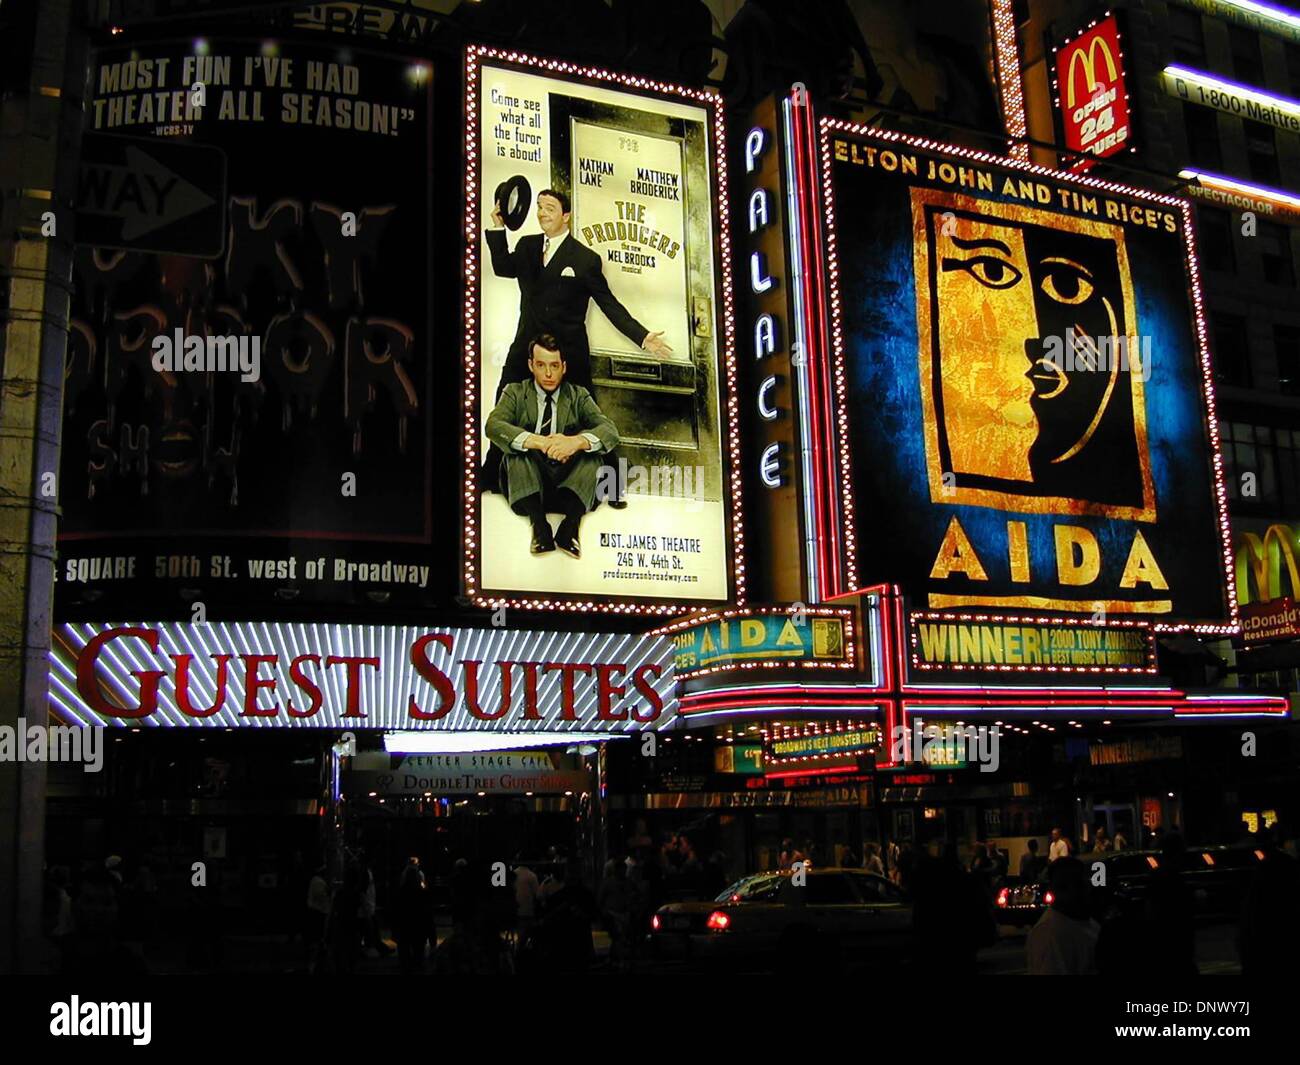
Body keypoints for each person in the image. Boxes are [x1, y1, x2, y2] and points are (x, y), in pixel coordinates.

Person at [484, 187, 673, 393]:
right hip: (525, 352)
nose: (542, 213)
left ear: (566, 216)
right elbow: (503, 268)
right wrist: (498, 226)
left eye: (550, 208)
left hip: (567, 358)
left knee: (571, 423)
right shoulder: (526, 246)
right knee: (504, 418)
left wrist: (642, 336)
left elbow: (608, 304)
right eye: (539, 207)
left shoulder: (585, 259)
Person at [485, 334, 619, 558]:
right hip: (529, 486)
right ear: (531, 365)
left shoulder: (578, 395)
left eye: (554, 366)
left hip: (568, 486)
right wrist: (539, 442)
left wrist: (575, 442)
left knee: (592, 455)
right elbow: (493, 425)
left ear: (563, 367)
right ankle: (539, 527)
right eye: (541, 365)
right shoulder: (515, 392)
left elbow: (610, 431)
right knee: (516, 452)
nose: (548, 374)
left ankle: (570, 527)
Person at [1026, 857, 1099, 975]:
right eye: (1064, 886)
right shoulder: (1049, 933)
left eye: (1080, 882)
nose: (1075, 890)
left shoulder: (1083, 920)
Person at [393, 859, 430, 974]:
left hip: (406, 925)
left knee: (405, 949)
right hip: (417, 925)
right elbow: (426, 910)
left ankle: (407, 966)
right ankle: (417, 965)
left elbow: (397, 909)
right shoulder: (420, 892)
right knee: (418, 949)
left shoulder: (402, 891)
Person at [305, 865, 331, 971]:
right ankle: (314, 961)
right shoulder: (318, 882)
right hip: (318, 912)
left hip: (317, 911)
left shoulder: (316, 881)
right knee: (318, 936)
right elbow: (322, 896)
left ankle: (316, 961)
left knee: (318, 937)